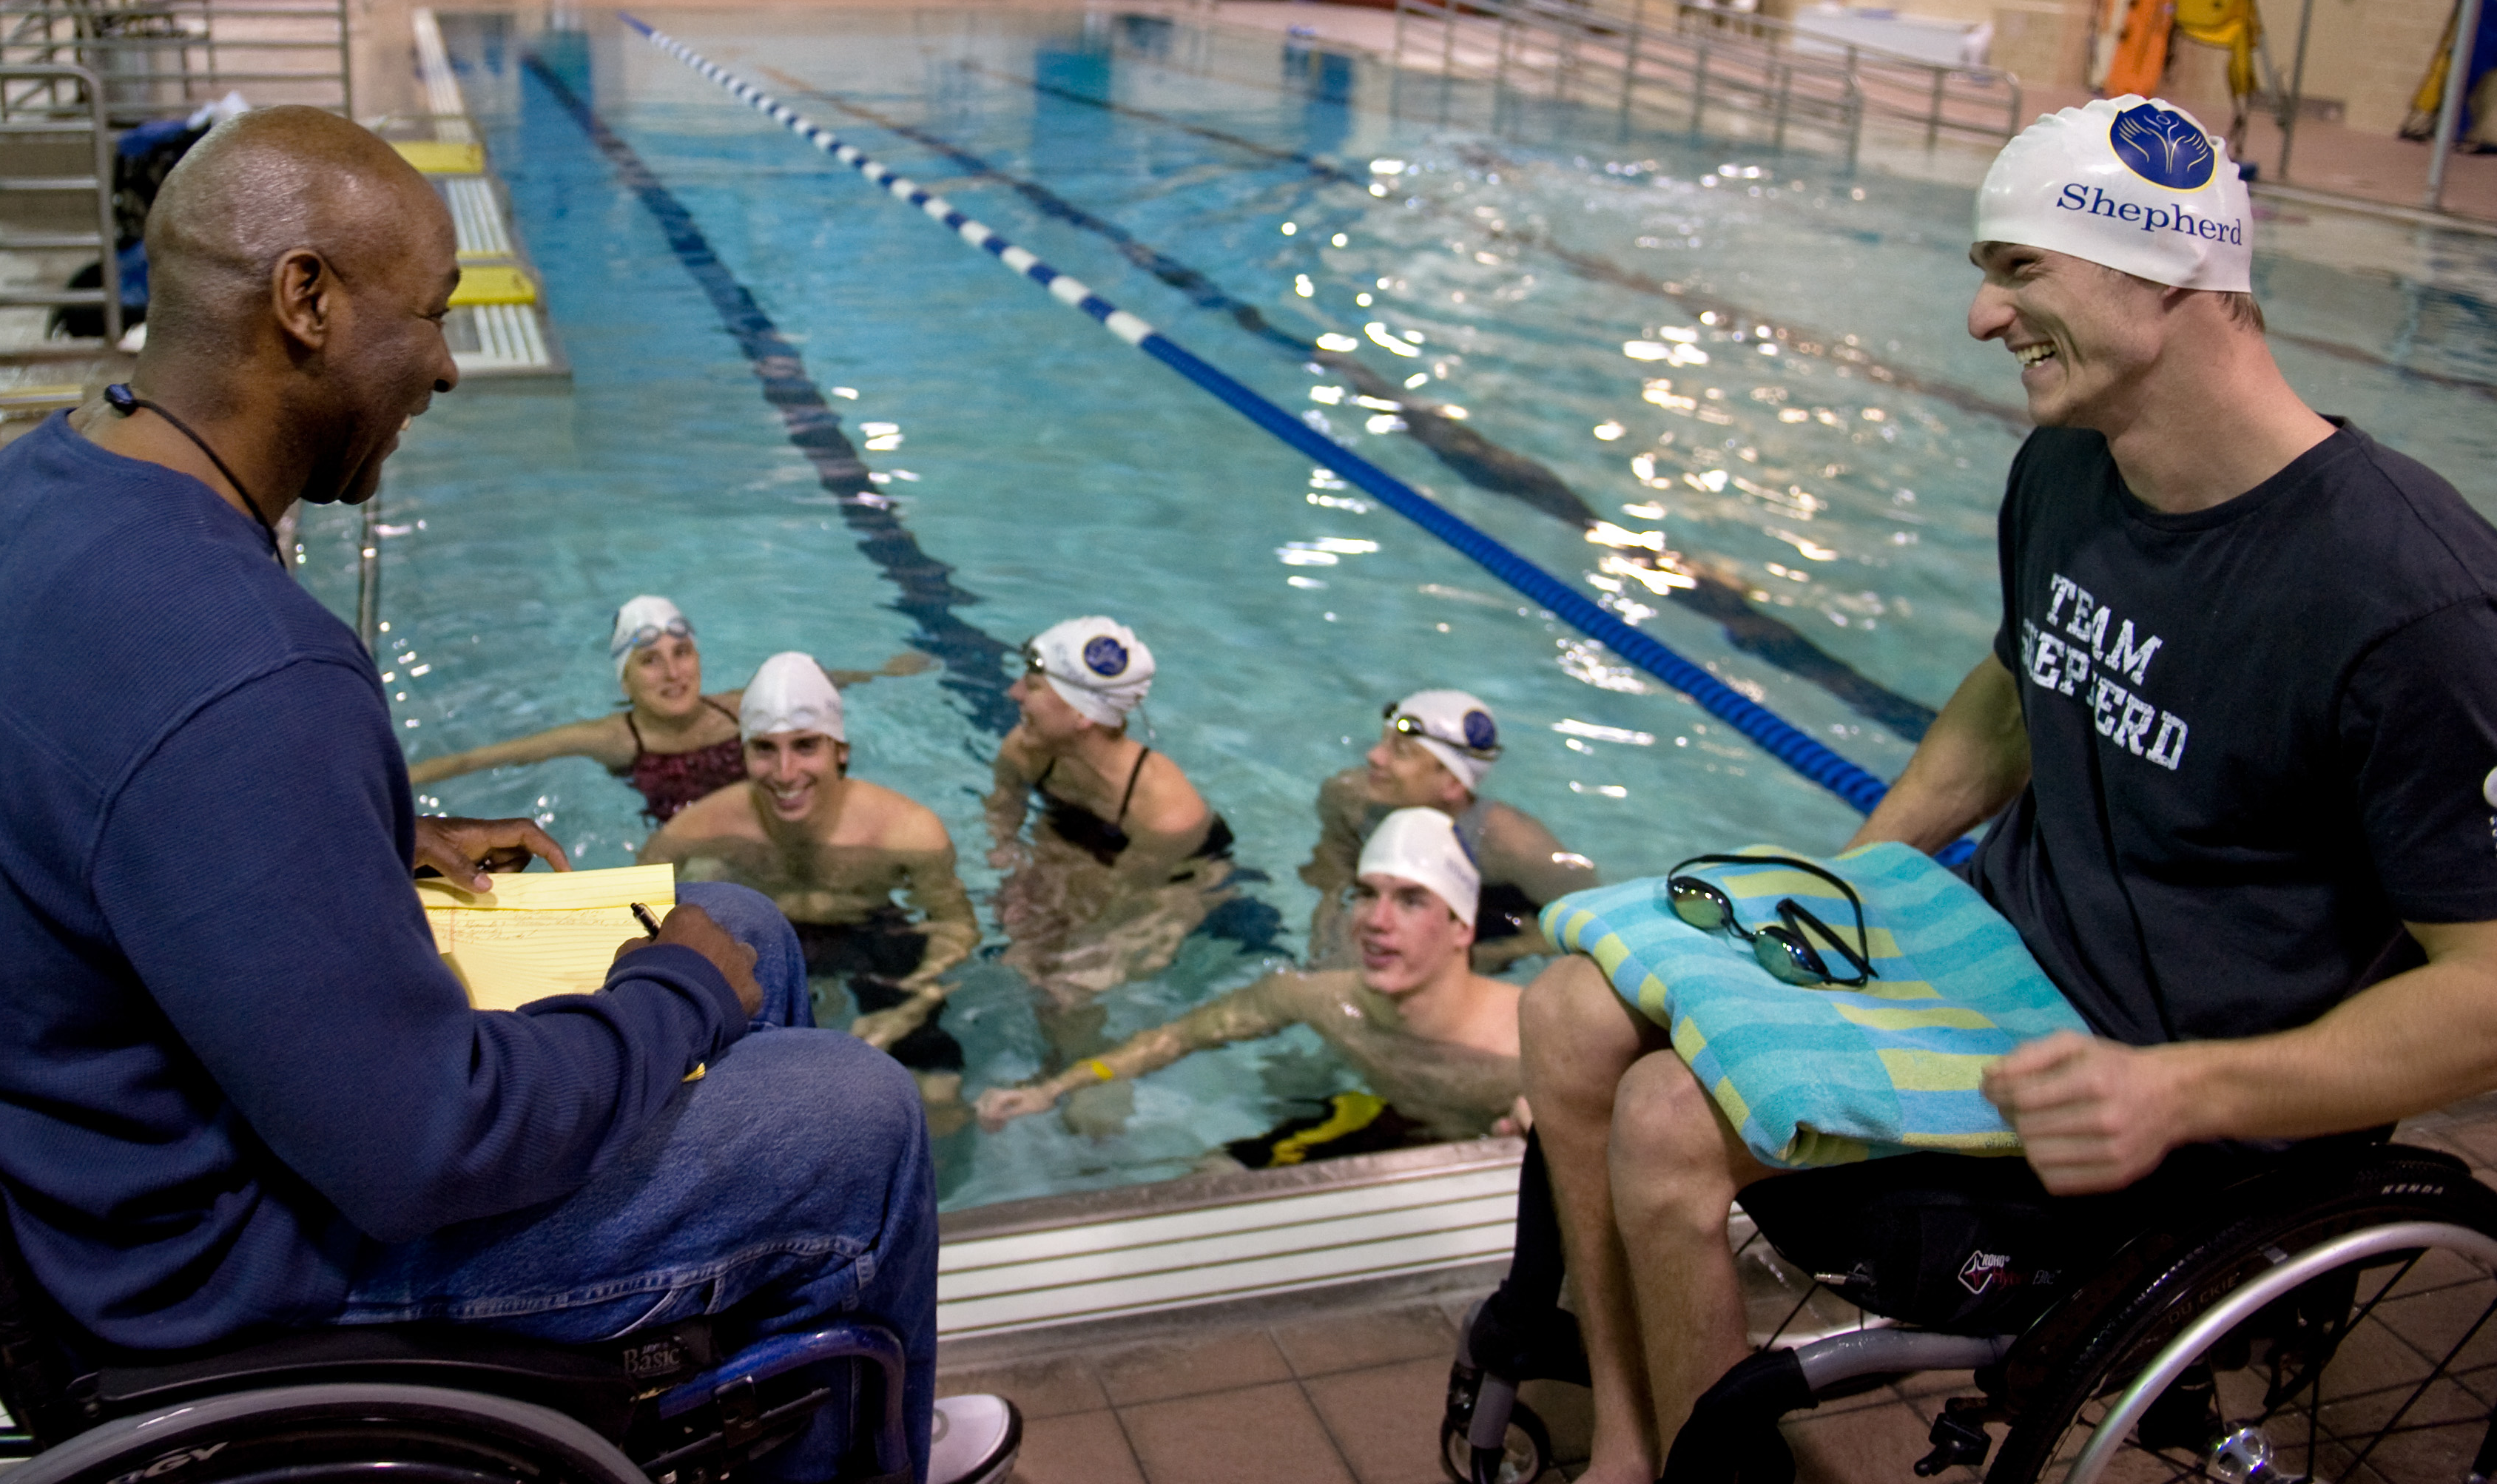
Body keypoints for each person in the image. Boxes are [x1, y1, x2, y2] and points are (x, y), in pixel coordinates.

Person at [0, 105, 1011, 1484]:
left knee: (744, 920)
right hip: (201, 1274)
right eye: (433, 316)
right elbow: (432, 1142)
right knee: (849, 1116)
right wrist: (673, 991)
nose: (450, 368)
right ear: (307, 300)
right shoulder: (245, 659)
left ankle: (807, 1404)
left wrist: (354, 833)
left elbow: (92, 792)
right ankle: (846, 1445)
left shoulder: (17, 494)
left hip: (65, 1157)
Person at [1519, 95, 2497, 1484]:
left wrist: (2180, 1088)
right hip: (1998, 953)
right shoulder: (2072, 463)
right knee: (1567, 1007)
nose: (1984, 318)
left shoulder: (2411, 602)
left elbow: (2490, 991)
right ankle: (1635, 1443)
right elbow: (2018, 686)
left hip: (2161, 1085)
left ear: (2162, 276)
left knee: (1669, 1115)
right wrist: (1857, 873)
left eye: (2019, 269)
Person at [980, 809, 1528, 1159]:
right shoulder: (1319, 999)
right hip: (1389, 1128)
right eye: (1365, 894)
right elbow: (1176, 1038)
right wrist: (1054, 1089)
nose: (1375, 920)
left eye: (1410, 901)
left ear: (1463, 927)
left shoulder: (1531, 1038)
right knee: (1210, 1175)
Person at [638, 652, 977, 1081]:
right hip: (757, 940)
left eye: (805, 745)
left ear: (840, 750)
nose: (785, 773)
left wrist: (912, 1000)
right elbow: (635, 912)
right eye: (764, 748)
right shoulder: (697, 829)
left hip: (867, 929)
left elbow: (956, 927)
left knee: (938, 1087)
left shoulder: (909, 832)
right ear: (742, 754)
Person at [406, 596, 929, 822]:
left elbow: (821, 683)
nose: (674, 672)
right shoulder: (614, 738)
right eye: (650, 661)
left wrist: (887, 672)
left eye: (682, 653)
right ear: (626, 679)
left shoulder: (737, 708)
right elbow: (483, 760)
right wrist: (397, 781)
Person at [982, 616, 1236, 1063]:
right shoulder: (1024, 748)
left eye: (1034, 687)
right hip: (1072, 845)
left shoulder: (1167, 813)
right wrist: (1015, 863)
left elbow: (1125, 898)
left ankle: (1092, 1077)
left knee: (1068, 985)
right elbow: (1004, 808)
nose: (1014, 693)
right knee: (1014, 951)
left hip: (1174, 880)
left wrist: (1053, 924)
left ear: (1083, 715)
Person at [1300, 689, 1596, 970]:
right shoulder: (1349, 799)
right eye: (1382, 742)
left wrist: (1486, 957)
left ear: (1453, 784)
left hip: (1490, 924)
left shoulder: (1516, 848)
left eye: (1400, 752)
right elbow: (1332, 870)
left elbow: (1591, 926)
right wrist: (1329, 932)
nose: (1375, 756)